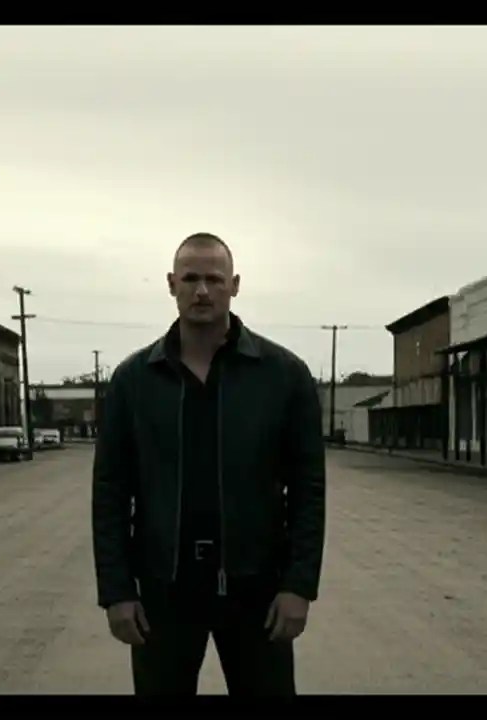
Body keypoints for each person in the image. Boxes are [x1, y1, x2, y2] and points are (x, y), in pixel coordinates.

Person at [91, 231, 327, 696]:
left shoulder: (282, 375)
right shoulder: (134, 380)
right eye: (191, 278)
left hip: (258, 588)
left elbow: (308, 490)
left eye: (214, 279)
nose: (202, 290)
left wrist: (299, 585)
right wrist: (117, 591)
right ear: (171, 284)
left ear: (235, 285)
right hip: (164, 589)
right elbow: (110, 493)